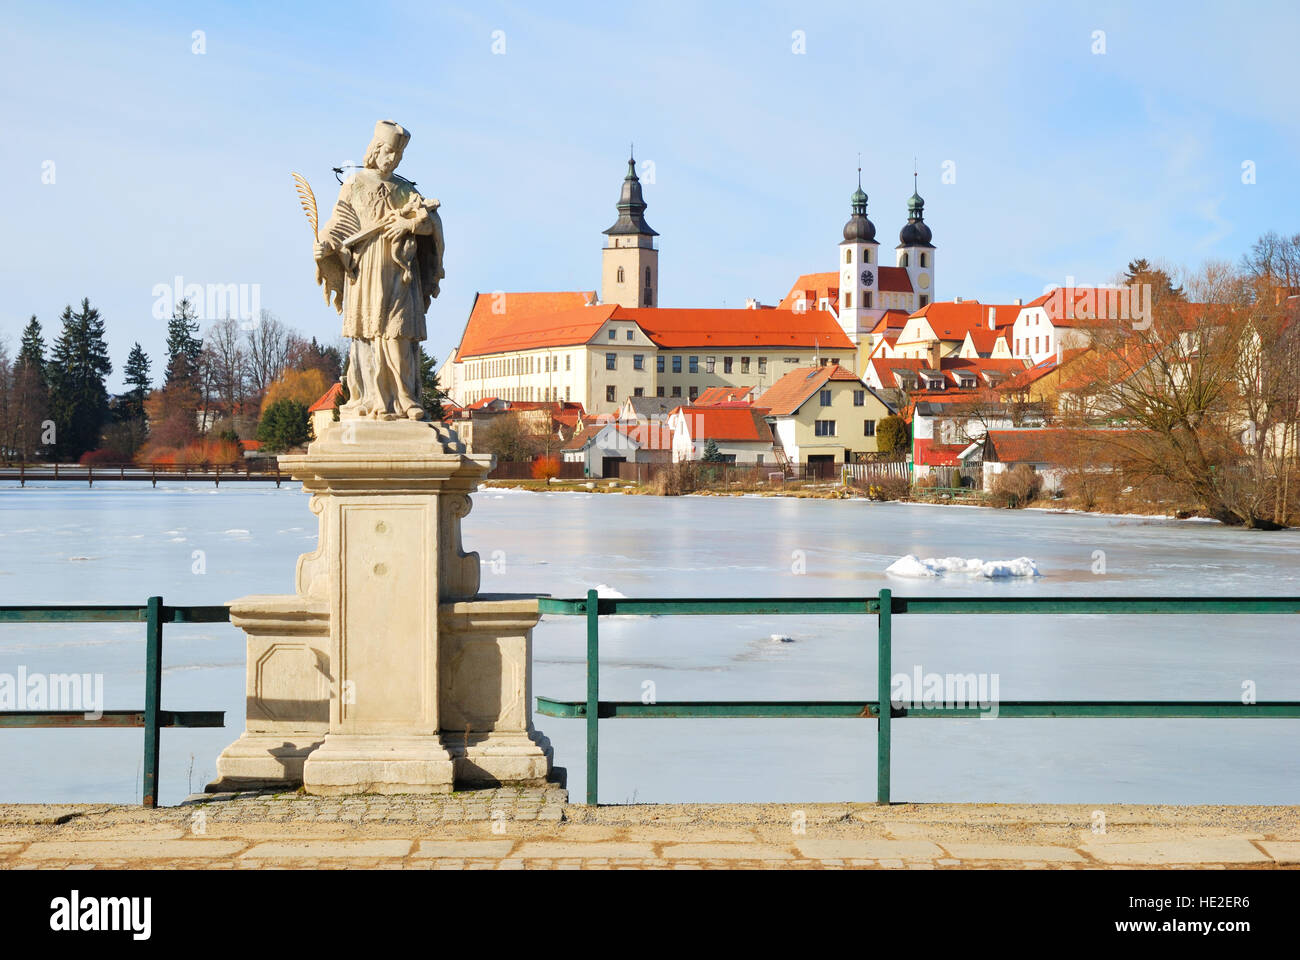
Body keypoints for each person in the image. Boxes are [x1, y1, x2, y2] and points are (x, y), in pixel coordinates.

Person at [313, 120, 445, 420]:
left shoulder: (405, 189)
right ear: (375, 150)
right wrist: (323, 245)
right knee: (368, 334)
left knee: (400, 332)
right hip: (366, 270)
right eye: (388, 153)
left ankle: (405, 399)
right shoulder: (355, 183)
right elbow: (339, 224)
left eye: (398, 157)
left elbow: (431, 223)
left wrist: (410, 224)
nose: (393, 160)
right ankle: (371, 398)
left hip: (400, 272)